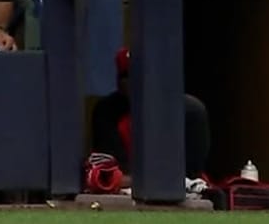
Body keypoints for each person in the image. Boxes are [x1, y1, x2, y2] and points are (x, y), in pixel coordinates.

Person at [90, 48, 212, 191]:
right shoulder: (107, 111)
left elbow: (190, 172)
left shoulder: (189, 110)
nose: (138, 83)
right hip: (126, 191)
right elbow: (112, 173)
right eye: (128, 76)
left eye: (144, 75)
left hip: (183, 188)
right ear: (119, 81)